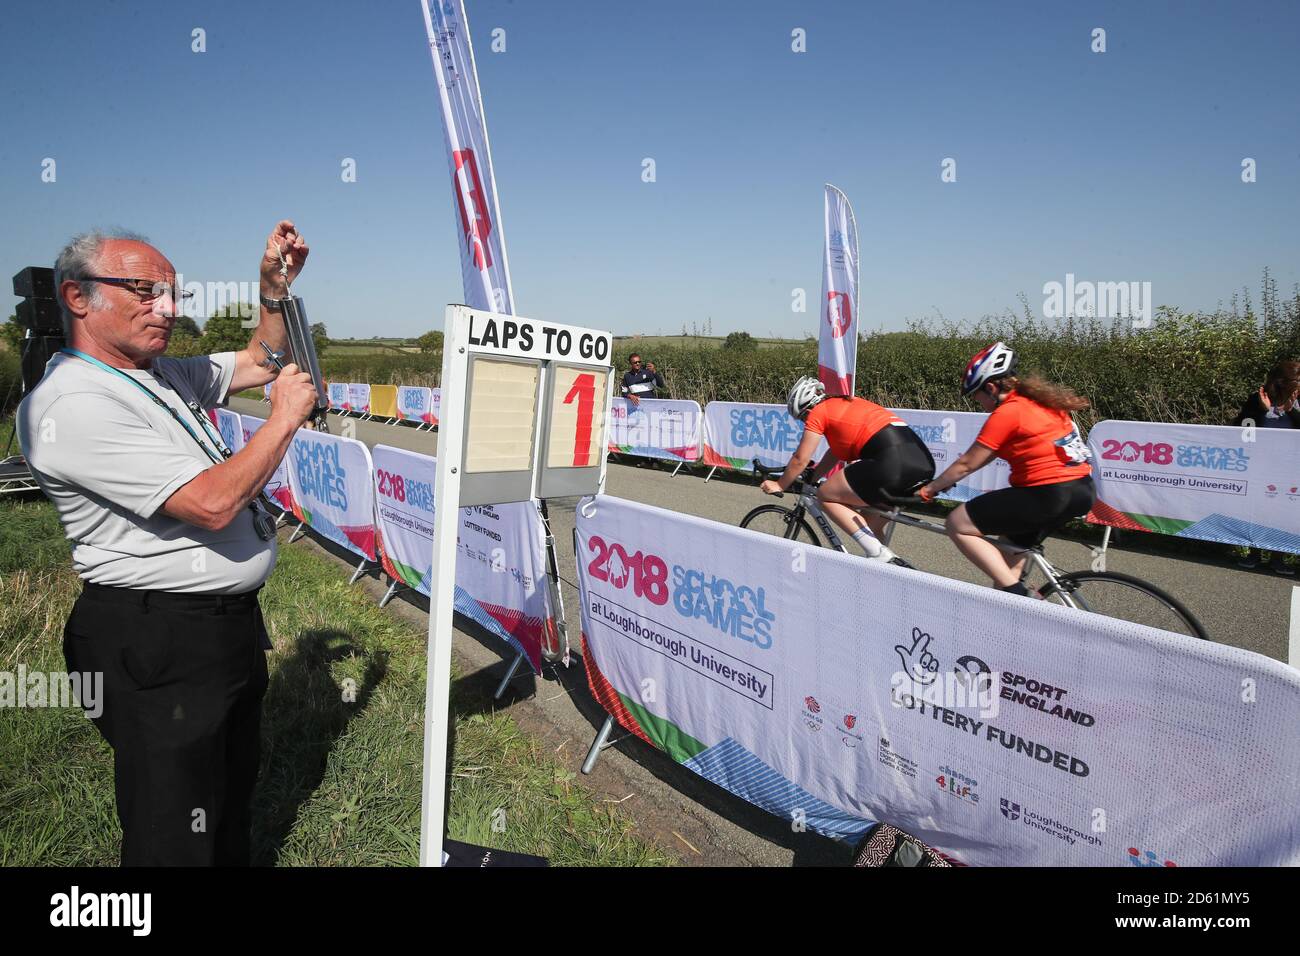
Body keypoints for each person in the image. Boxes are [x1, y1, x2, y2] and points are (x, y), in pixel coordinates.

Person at [16, 221, 319, 866]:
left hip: (219, 632)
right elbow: (210, 504)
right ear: (78, 298)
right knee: (174, 833)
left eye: (174, 294)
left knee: (228, 800)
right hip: (157, 642)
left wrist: (272, 289)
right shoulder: (70, 403)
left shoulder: (156, 374)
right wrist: (285, 417)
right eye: (146, 292)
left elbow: (260, 358)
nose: (171, 310)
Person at [917, 342, 1094, 596]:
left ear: (990, 387)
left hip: (1047, 493)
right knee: (1009, 553)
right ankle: (1009, 611)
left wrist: (929, 489)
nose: (977, 402)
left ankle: (1017, 594)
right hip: (1081, 490)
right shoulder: (1043, 403)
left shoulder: (1009, 412)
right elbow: (988, 456)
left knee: (957, 523)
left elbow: (968, 462)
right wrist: (942, 484)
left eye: (976, 395)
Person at [760, 376, 934, 564]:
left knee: (826, 494)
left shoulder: (818, 412)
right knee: (868, 526)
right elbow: (836, 453)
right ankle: (885, 571)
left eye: (803, 418)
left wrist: (780, 484)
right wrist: (813, 477)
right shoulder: (848, 403)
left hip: (892, 464)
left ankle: (878, 554)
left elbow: (800, 459)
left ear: (808, 408)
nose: (805, 422)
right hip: (923, 465)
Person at [1230, 360, 1299, 573]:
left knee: (1284, 511)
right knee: (1257, 509)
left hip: (1290, 468)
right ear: (1281, 382)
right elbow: (1241, 431)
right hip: (1259, 466)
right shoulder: (1257, 399)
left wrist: (1292, 412)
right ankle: (1253, 552)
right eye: (1295, 383)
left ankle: (1279, 556)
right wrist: (1263, 411)